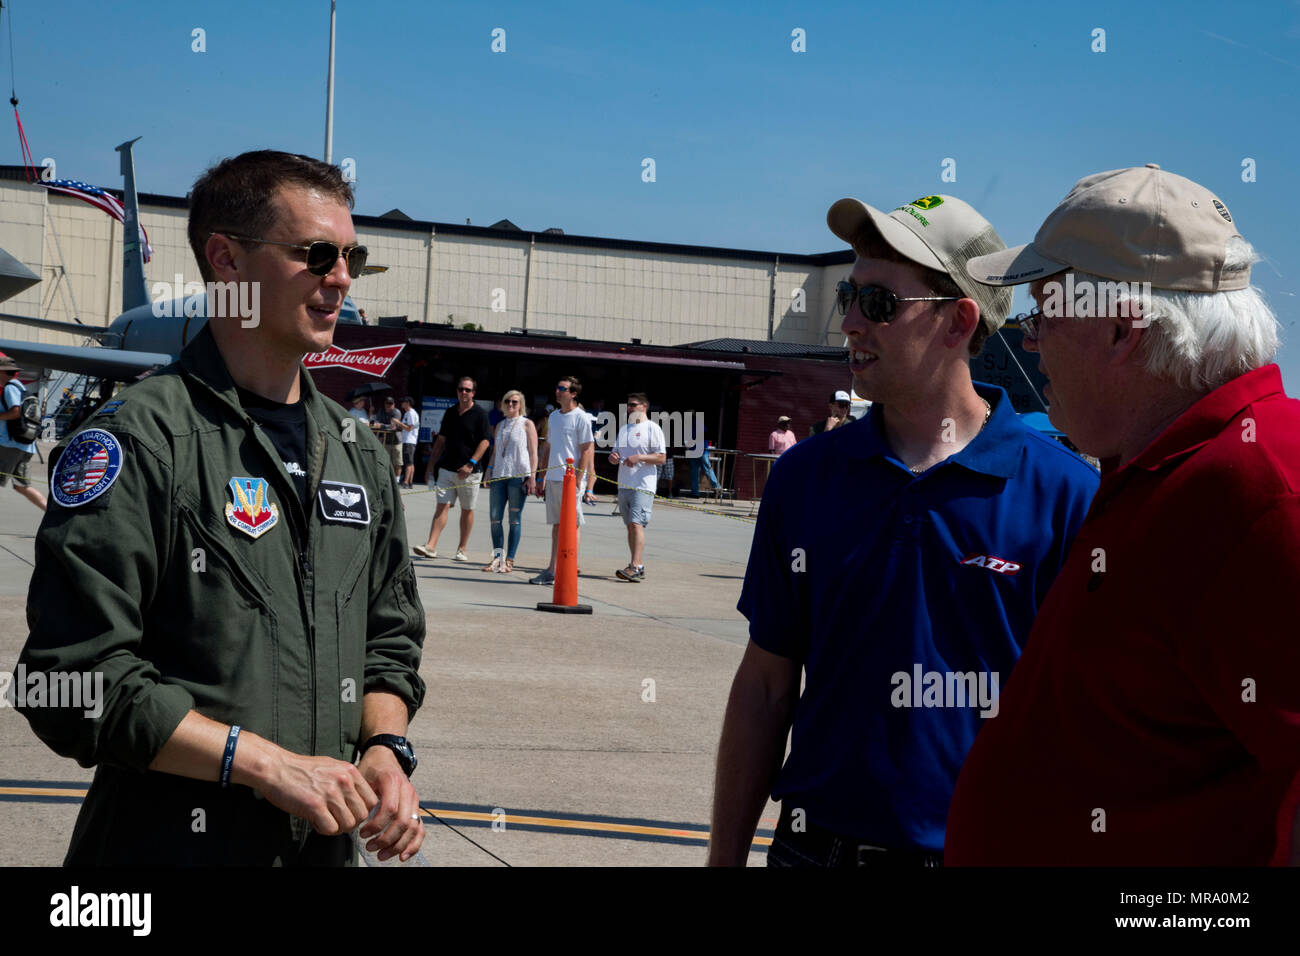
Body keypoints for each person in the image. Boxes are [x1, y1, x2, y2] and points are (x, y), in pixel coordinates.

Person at [15, 149, 426, 865]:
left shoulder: (359, 452)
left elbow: (388, 639)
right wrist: (265, 764)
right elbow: (67, 681)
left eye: (351, 257)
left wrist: (385, 745)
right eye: (317, 254)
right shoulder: (140, 441)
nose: (341, 278)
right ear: (227, 262)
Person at [707, 192, 1099, 867]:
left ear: (958, 322)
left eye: (880, 304)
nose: (852, 323)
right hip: (812, 855)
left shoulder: (1066, 494)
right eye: (849, 299)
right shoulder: (804, 479)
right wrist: (724, 859)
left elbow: (1091, 726)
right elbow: (767, 684)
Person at [946, 165, 1300, 866]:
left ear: (1121, 327)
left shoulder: (1263, 488)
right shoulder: (1163, 466)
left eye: (1044, 310)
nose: (1031, 338)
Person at [414, 376, 490, 562]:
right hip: (447, 468)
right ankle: (431, 546)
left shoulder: (480, 414)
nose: (463, 392)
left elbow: (485, 441)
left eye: (467, 390)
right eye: (460, 389)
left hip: (470, 472)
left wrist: (471, 463)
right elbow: (441, 440)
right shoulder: (450, 412)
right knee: (442, 506)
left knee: (467, 509)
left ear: (473, 393)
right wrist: (431, 466)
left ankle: (462, 548)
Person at [531, 375, 595, 586]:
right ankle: (552, 568)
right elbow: (548, 447)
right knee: (557, 525)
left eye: (562, 388)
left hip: (571, 480)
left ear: (573, 393)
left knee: (573, 524)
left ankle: (567, 568)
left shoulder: (581, 417)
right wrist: (542, 476)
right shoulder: (555, 417)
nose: (557, 391)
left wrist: (578, 479)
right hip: (553, 477)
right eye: (557, 388)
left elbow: (586, 449)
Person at [609, 392, 666, 582]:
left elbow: (661, 457)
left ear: (644, 406)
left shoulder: (653, 428)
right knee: (630, 527)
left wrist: (639, 457)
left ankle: (634, 565)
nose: (629, 408)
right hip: (624, 483)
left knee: (636, 524)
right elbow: (614, 453)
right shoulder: (624, 429)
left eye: (633, 405)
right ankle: (638, 565)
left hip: (643, 485)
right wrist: (613, 457)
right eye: (628, 405)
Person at [481, 389, 538, 573]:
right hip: (499, 475)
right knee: (495, 519)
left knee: (514, 519)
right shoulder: (500, 425)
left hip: (517, 476)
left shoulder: (527, 424)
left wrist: (532, 476)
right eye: (507, 401)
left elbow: (534, 452)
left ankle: (510, 560)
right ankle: (498, 558)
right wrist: (488, 471)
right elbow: (495, 452)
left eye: (514, 402)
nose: (510, 405)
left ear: (520, 404)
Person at [0, 355, 47, 512]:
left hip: (9, 444)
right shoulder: (21, 387)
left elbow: (15, 412)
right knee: (22, 486)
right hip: (25, 445)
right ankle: (50, 512)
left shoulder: (10, 388)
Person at [373, 396, 402, 478]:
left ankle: (397, 480)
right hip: (386, 441)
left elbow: (393, 426)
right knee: (387, 461)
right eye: (387, 403)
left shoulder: (397, 412)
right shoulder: (381, 411)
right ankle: (388, 478)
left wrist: (381, 425)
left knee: (397, 462)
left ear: (394, 404)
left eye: (391, 404)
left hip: (396, 441)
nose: (389, 405)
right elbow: (376, 421)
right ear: (384, 404)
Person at [398, 396, 419, 489]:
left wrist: (398, 423)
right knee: (411, 462)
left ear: (407, 403)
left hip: (409, 440)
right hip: (408, 440)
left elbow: (409, 428)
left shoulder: (411, 413)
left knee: (408, 462)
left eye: (403, 402)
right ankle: (410, 482)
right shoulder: (407, 413)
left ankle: (405, 482)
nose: (401, 403)